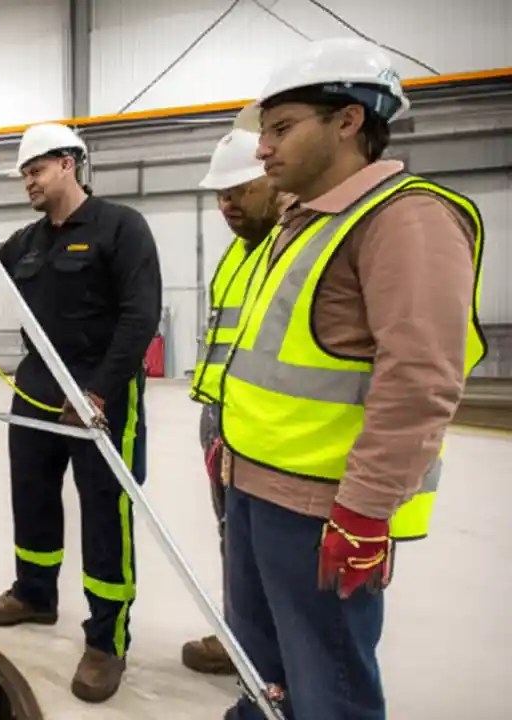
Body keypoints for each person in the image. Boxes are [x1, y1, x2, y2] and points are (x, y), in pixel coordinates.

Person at [218, 37, 486, 719]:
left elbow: (421, 378)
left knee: (327, 683)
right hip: (254, 484)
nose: (262, 149)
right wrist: (232, 440)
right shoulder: (302, 223)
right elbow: (271, 353)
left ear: (348, 121)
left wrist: (366, 510)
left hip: (322, 508)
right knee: (262, 664)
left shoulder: (406, 219)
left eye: (281, 129)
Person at [0, 122, 163, 704]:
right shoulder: (29, 240)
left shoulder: (120, 228)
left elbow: (140, 316)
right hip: (35, 387)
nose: (27, 181)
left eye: (34, 169)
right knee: (30, 493)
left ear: (67, 163)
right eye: (24, 173)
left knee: (105, 513)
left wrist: (102, 393)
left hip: (97, 391)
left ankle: (107, 640)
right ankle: (35, 593)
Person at [181, 125, 286, 675]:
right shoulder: (238, 253)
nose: (227, 204)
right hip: (223, 417)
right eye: (220, 194)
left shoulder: (286, 248)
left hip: (268, 424)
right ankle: (242, 636)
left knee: (270, 548)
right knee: (235, 541)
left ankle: (272, 654)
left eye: (239, 190)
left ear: (273, 181)